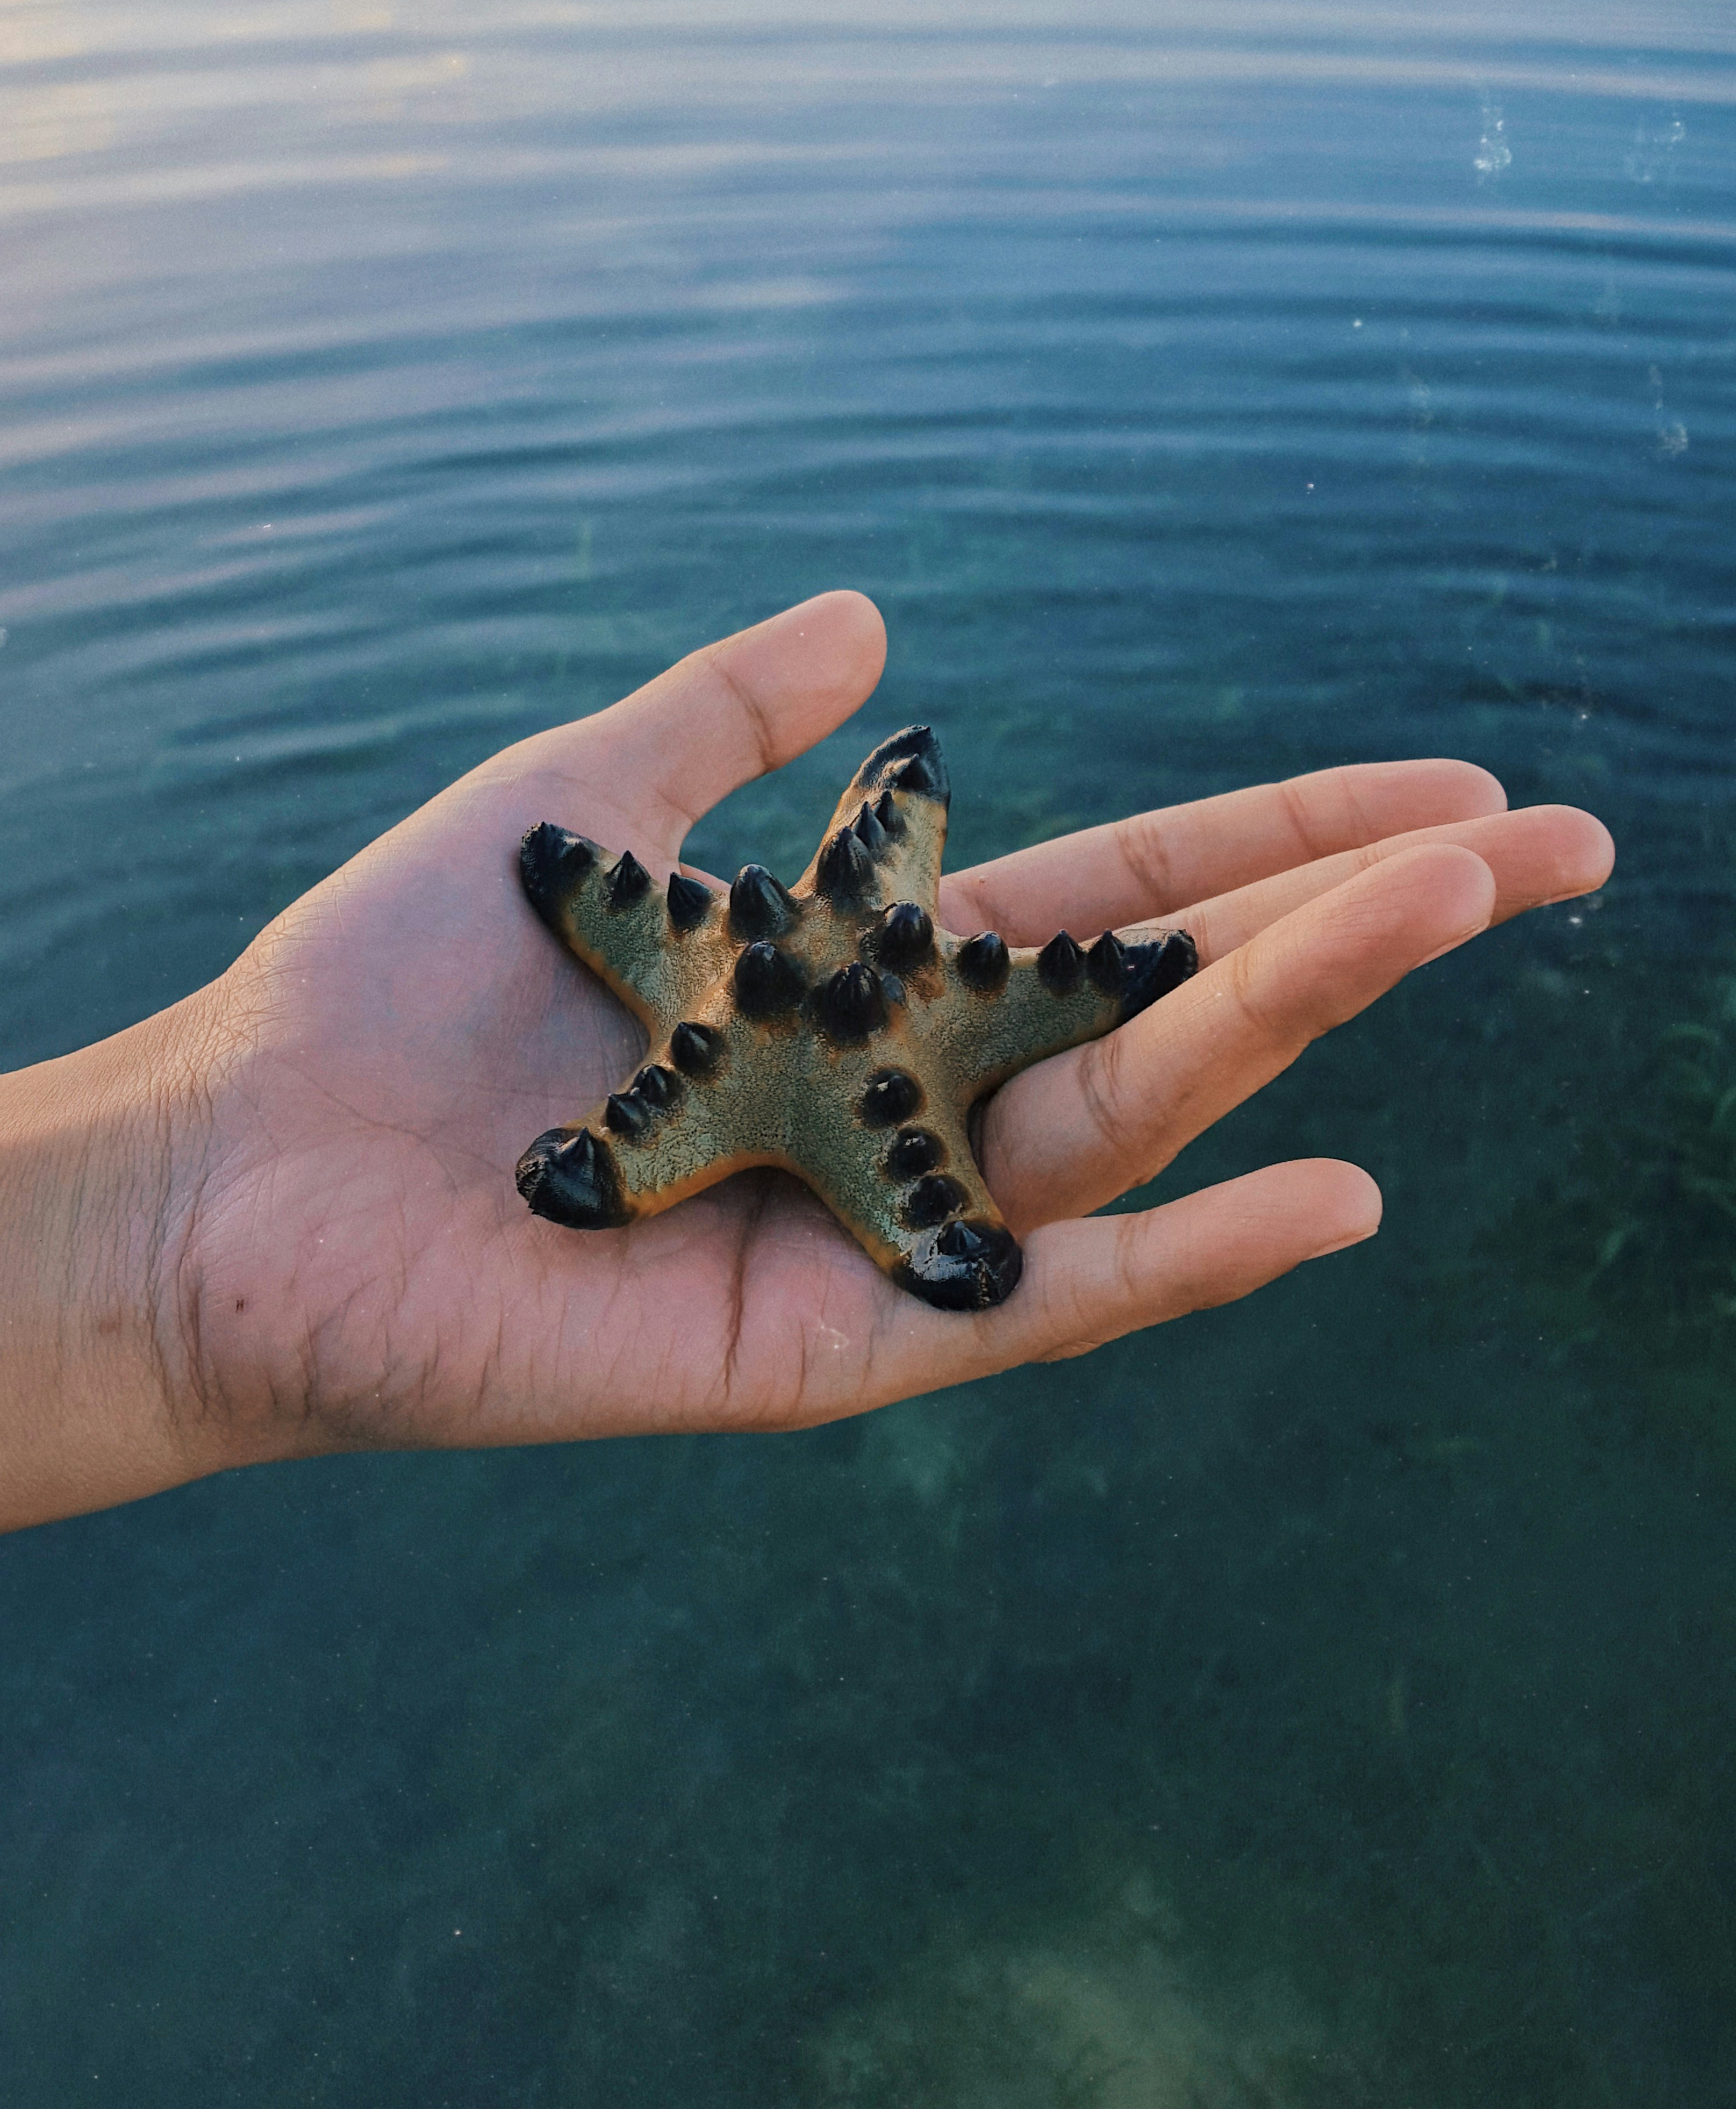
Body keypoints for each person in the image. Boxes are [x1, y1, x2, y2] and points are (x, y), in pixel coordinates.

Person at [0, 590, 1612, 1536]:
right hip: (808, 1054)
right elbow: (662, 899)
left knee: (1109, 975)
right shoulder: (762, 1015)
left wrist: (168, 1239)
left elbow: (979, 929)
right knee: (1066, 998)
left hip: (836, 1031)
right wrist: (175, 1227)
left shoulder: (852, 975)